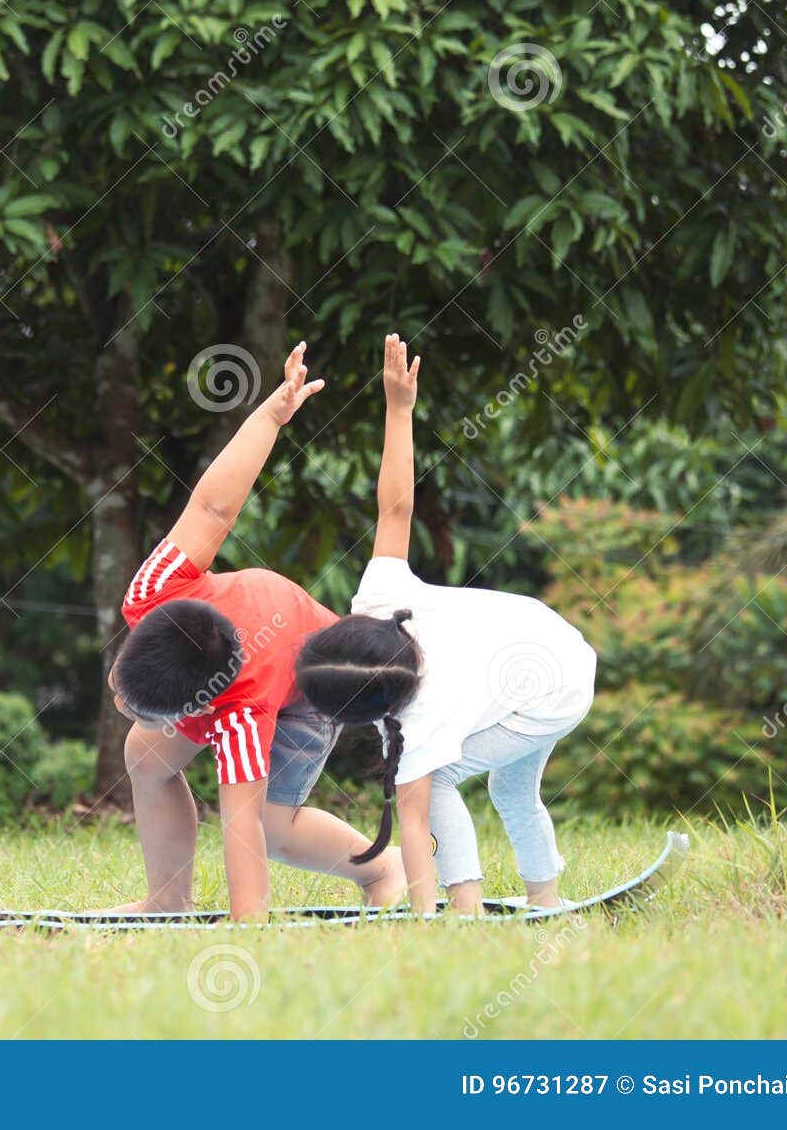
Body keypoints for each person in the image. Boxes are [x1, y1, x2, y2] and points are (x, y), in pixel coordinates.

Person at [296, 335, 597, 914]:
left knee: (434, 783)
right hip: (544, 638)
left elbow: (414, 820)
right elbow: (395, 507)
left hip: (552, 691)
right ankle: (546, 898)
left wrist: (430, 917)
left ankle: (468, 910)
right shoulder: (379, 599)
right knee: (510, 789)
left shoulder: (421, 713)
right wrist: (399, 408)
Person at [106, 341, 405, 921]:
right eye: (121, 681)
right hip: (250, 639)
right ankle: (167, 900)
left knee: (268, 824)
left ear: (202, 704)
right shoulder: (152, 591)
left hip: (306, 689)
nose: (118, 698)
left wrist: (248, 928)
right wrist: (270, 415)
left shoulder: (242, 713)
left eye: (140, 703)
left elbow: (240, 833)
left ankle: (380, 866)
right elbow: (215, 508)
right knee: (143, 754)